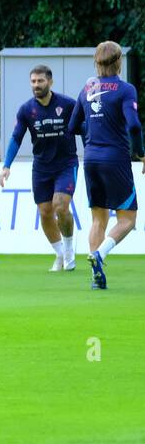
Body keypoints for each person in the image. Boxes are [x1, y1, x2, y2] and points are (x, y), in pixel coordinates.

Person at [67, 41, 142, 290]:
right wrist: (141, 153)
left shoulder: (87, 88)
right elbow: (133, 125)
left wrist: (93, 134)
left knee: (98, 219)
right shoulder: (125, 89)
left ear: (95, 62)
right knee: (128, 219)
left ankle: (95, 277)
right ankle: (100, 254)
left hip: (91, 159)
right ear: (119, 62)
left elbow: (72, 126)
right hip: (115, 160)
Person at [0, 65, 79, 271]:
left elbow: (85, 129)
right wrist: (6, 165)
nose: (36, 85)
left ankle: (69, 248)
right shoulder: (26, 110)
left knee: (60, 205)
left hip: (66, 164)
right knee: (45, 212)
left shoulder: (68, 104)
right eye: (33, 81)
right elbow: (16, 137)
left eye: (40, 81)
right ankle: (60, 254)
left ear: (50, 82)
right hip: (41, 167)